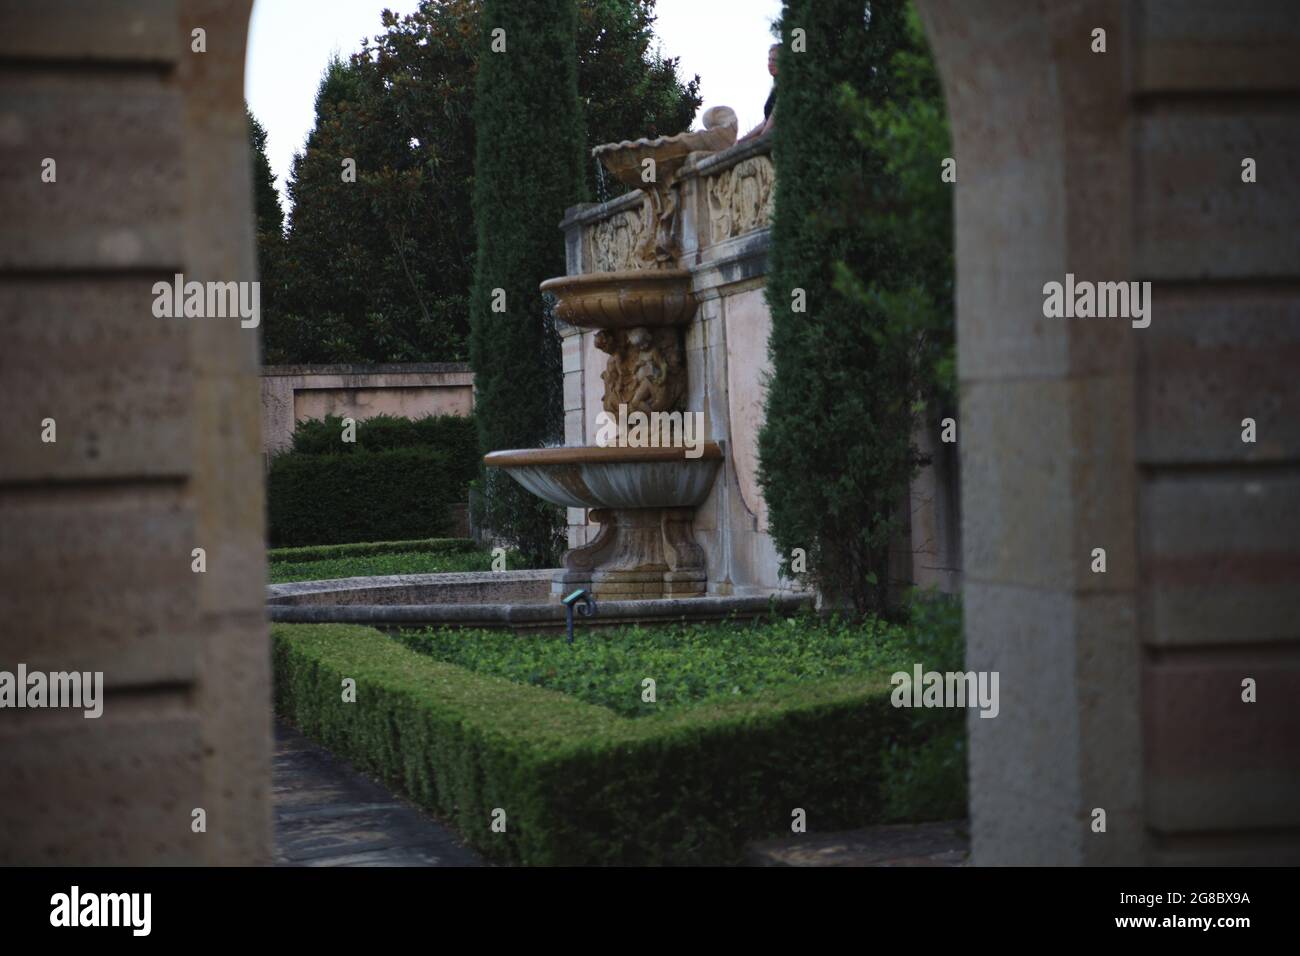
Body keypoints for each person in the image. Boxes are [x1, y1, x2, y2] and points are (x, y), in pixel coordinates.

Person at [739, 43, 780, 142]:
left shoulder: (785, 87)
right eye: (769, 60)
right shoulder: (775, 88)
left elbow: (775, 116)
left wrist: (760, 139)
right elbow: (765, 122)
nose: (770, 63)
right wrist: (742, 140)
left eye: (774, 60)